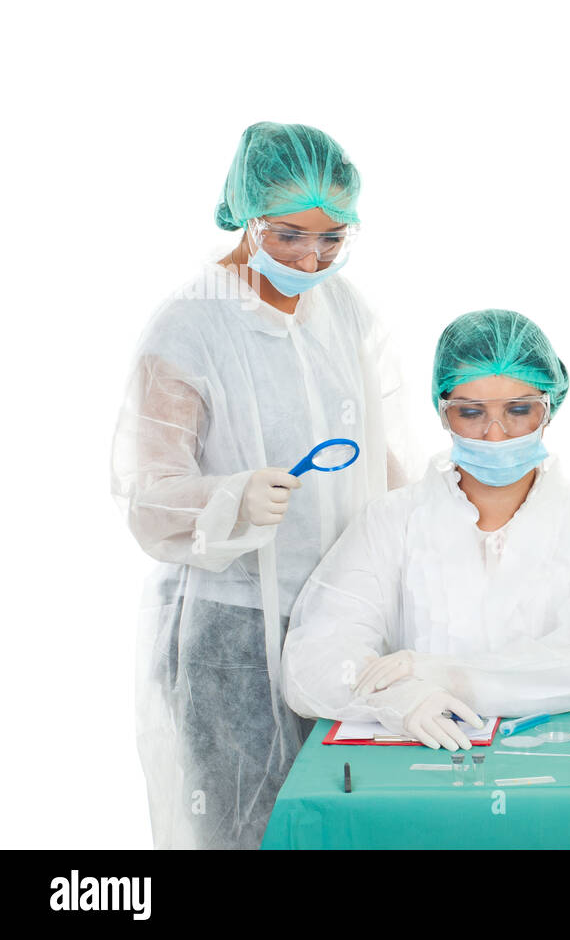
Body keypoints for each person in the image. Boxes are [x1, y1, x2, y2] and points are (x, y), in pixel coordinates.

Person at [111, 122, 411, 849]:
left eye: (332, 238)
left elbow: (382, 457)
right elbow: (149, 494)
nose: (312, 258)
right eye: (287, 236)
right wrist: (231, 499)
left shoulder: (343, 311)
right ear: (246, 216)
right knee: (246, 832)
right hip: (230, 635)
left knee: (346, 823)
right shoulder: (189, 328)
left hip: (340, 616)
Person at [282, 309, 570, 749]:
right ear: (441, 411)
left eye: (519, 410)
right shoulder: (391, 520)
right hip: (424, 758)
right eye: (471, 413)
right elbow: (315, 662)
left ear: (550, 408)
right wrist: (403, 698)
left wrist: (441, 673)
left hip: (560, 760)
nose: (495, 435)